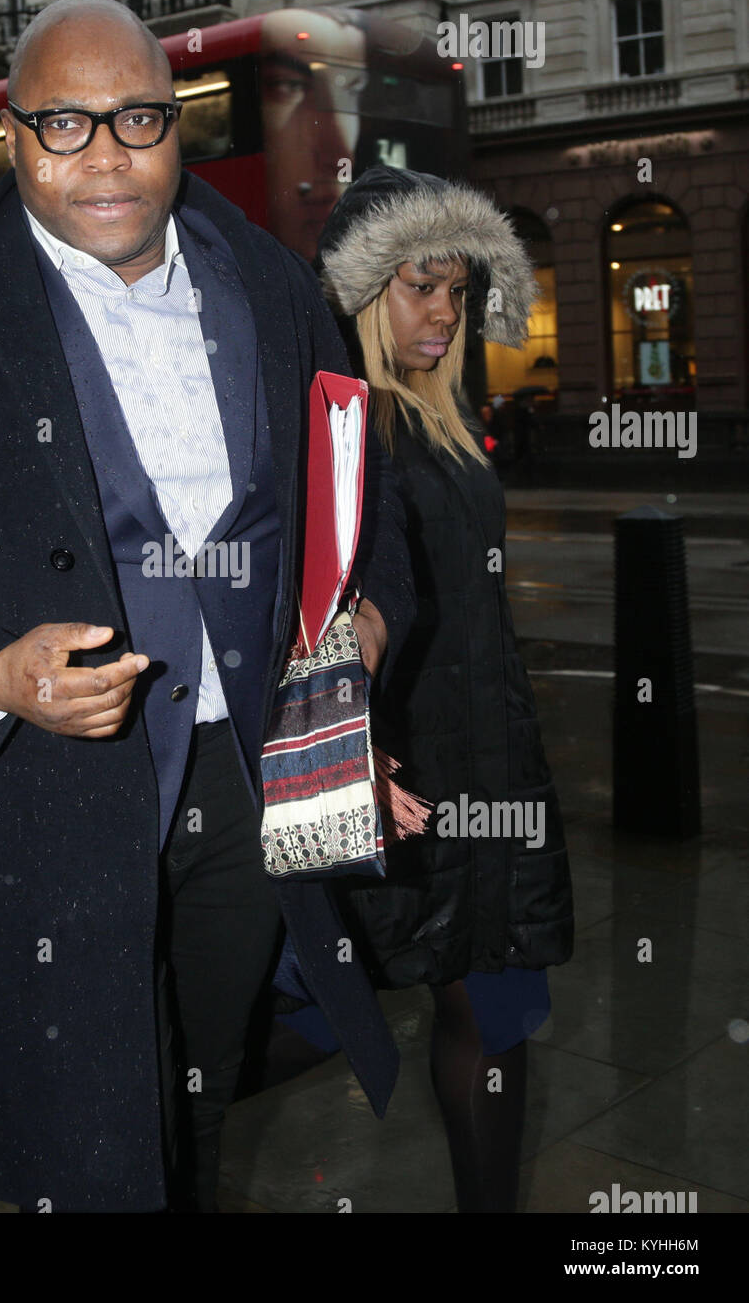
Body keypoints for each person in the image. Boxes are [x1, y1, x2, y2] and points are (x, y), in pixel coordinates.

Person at [0, 0, 416, 1213]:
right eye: (64, 125)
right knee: (75, 1131)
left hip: (241, 777)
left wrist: (366, 631)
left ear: (172, 126)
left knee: (194, 1085)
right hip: (35, 802)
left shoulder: (278, 293)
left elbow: (362, 508)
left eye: (134, 118)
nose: (105, 155)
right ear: (12, 137)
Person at [315, 165, 574, 1212]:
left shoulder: (440, 415)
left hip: (485, 756)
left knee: (495, 1008)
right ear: (368, 289)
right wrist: (352, 753)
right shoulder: (343, 422)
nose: (440, 312)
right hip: (410, 761)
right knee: (393, 1000)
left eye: (457, 292)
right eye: (419, 286)